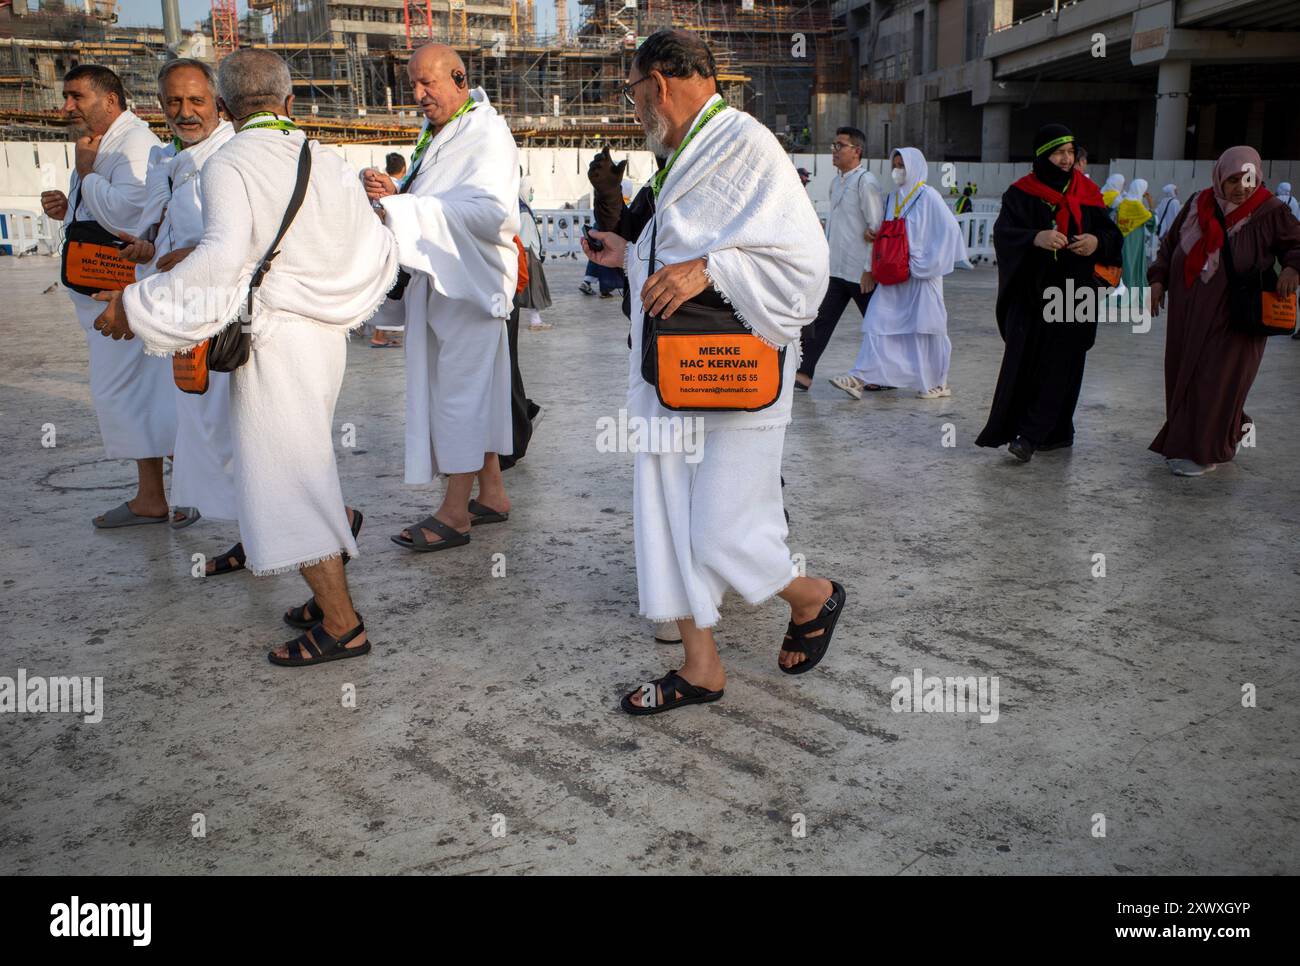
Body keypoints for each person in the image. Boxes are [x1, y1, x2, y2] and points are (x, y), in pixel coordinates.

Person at [91, 49, 398, 666]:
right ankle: (326, 599)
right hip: (323, 341)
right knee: (309, 468)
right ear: (289, 103)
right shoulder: (326, 158)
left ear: (226, 108)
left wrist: (137, 306)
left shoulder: (231, 162)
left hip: (276, 344)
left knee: (290, 479)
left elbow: (221, 260)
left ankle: (342, 625)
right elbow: (376, 243)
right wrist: (335, 304)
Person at [582, 29, 846, 715]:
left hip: (737, 368)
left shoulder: (743, 145)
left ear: (658, 83)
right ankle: (701, 668)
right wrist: (628, 254)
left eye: (634, 92)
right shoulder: (687, 151)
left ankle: (812, 595)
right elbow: (682, 247)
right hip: (669, 371)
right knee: (668, 518)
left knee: (725, 530)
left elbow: (804, 266)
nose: (635, 108)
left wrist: (712, 268)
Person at [362, 44, 519, 550]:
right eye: (413, 85)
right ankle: (492, 495)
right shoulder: (443, 134)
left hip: (471, 284)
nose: (418, 94)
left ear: (458, 78)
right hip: (447, 281)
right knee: (477, 392)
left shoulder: (486, 133)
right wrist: (397, 193)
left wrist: (406, 207)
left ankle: (455, 514)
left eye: (427, 83)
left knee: (460, 397)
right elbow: (438, 199)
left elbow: (493, 213)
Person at [116, 59, 245, 571]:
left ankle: (320, 520)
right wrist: (148, 249)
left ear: (218, 103)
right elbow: (160, 227)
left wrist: (194, 250)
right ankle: (252, 535)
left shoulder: (233, 154)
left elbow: (245, 236)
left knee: (237, 431)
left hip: (228, 317)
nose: (185, 112)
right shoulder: (168, 157)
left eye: (196, 101)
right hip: (185, 313)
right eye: (174, 102)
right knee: (208, 430)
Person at [39, 65, 177, 529]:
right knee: (134, 396)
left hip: (122, 294)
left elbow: (131, 214)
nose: (67, 106)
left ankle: (192, 490)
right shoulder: (103, 144)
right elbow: (98, 212)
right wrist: (69, 204)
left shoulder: (134, 144)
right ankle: (153, 495)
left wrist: (86, 176)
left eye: (76, 96)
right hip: (101, 292)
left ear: (112, 100)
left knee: (140, 394)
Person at [1148, 145, 1300, 475]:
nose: (1242, 187)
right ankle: (1194, 438)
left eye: (1248, 179)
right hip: (1187, 314)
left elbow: (1296, 244)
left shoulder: (1270, 211)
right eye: (1233, 179)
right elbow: (1170, 244)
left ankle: (1205, 450)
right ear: (1219, 177)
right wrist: (1158, 280)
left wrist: (1292, 268)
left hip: (1235, 314)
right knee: (1183, 372)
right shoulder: (1197, 203)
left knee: (1218, 378)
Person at [975, 124, 1123, 462]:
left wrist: (1096, 241)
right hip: (1032, 293)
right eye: (1058, 153)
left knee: (1064, 361)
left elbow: (1113, 237)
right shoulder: (1021, 193)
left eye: (1071, 152)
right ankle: (1057, 433)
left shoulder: (1088, 192)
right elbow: (1004, 234)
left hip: (1076, 292)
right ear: (1042, 155)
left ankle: (1030, 436)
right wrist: (1035, 238)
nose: (1066, 159)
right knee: (1027, 360)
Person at [829, 147, 966, 400]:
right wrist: (875, 237)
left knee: (926, 329)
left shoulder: (929, 196)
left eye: (903, 165)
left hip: (922, 276)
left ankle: (937, 383)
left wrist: (925, 262)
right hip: (894, 275)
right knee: (878, 323)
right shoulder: (892, 198)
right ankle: (860, 376)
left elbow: (950, 232)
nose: (898, 170)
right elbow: (884, 230)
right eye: (895, 164)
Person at [795, 126, 883, 390]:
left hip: (860, 271)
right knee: (820, 321)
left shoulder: (866, 182)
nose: (834, 151)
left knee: (875, 326)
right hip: (837, 269)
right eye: (833, 145)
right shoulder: (837, 182)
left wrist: (869, 269)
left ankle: (881, 377)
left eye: (840, 146)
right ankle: (804, 373)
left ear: (856, 151)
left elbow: (876, 228)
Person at [1117, 177, 1155, 294]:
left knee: (1126, 265)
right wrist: (1150, 203)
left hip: (1124, 238)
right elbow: (1152, 221)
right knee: (1134, 266)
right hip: (1135, 240)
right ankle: (1132, 295)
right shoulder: (1137, 206)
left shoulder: (1124, 203)